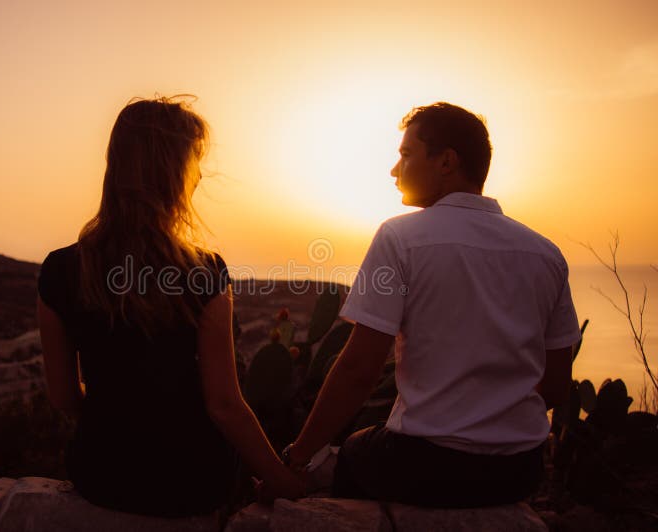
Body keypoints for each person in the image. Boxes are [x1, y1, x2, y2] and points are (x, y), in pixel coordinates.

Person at [282, 102, 581, 507]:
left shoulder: (400, 238)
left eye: (406, 154)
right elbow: (558, 382)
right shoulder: (546, 254)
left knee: (352, 452)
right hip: (519, 469)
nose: (394, 169)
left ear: (446, 162)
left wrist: (297, 456)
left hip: (425, 464)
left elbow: (359, 370)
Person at [37, 96, 303, 518]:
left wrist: (119, 426)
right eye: (195, 163)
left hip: (102, 476)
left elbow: (64, 395)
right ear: (176, 175)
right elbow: (224, 404)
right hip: (193, 481)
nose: (199, 176)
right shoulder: (205, 272)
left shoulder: (59, 270)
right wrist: (282, 479)